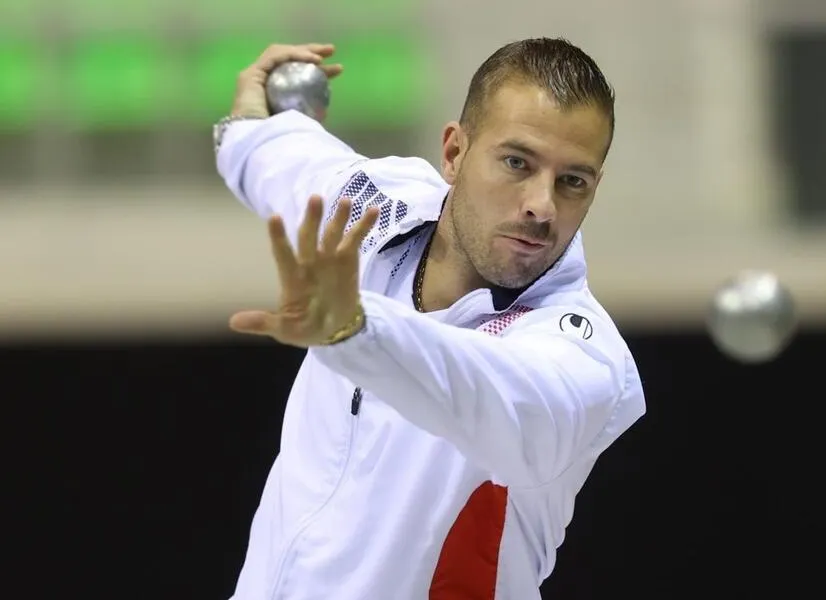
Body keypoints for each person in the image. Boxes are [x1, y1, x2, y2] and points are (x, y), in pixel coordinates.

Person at [213, 37, 646, 599]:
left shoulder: (583, 358)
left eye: (573, 181)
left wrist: (357, 331)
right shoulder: (371, 211)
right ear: (454, 153)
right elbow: (287, 167)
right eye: (517, 163)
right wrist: (248, 129)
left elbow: (489, 396)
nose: (542, 204)